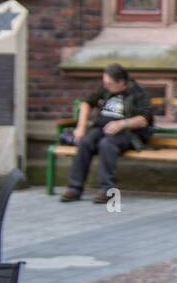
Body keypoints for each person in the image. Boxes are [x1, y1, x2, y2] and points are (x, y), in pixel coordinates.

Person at [60, 63, 154, 203]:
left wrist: (122, 123)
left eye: (109, 83)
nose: (106, 86)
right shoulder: (105, 89)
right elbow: (86, 103)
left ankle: (106, 191)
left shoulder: (138, 93)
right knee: (85, 142)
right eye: (105, 83)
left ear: (121, 82)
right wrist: (81, 127)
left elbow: (144, 120)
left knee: (106, 144)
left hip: (127, 132)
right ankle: (74, 188)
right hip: (101, 128)